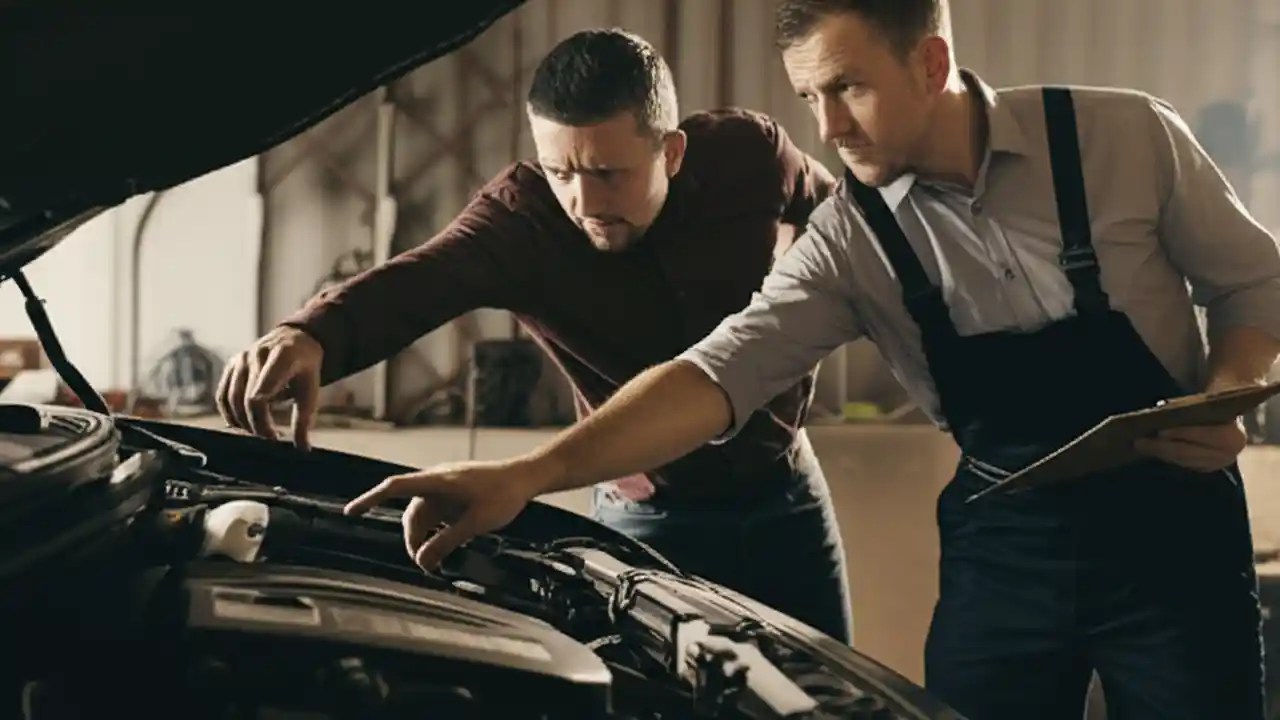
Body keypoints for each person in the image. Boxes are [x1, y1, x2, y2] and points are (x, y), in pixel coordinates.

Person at [342, 1, 1280, 718]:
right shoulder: (848, 240)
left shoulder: (1126, 137)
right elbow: (714, 375)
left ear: (933, 61)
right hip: (1008, 548)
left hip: (1176, 538)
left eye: (849, 87)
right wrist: (530, 474)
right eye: (810, 99)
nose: (828, 126)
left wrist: (1229, 388)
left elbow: (1254, 283)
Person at [216, 28, 856, 643]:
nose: (583, 201)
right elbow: (413, 283)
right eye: (561, 172)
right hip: (649, 523)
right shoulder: (521, 225)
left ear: (672, 152)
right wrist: (310, 335)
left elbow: (843, 221)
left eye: (608, 174)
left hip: (790, 499)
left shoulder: (749, 156)